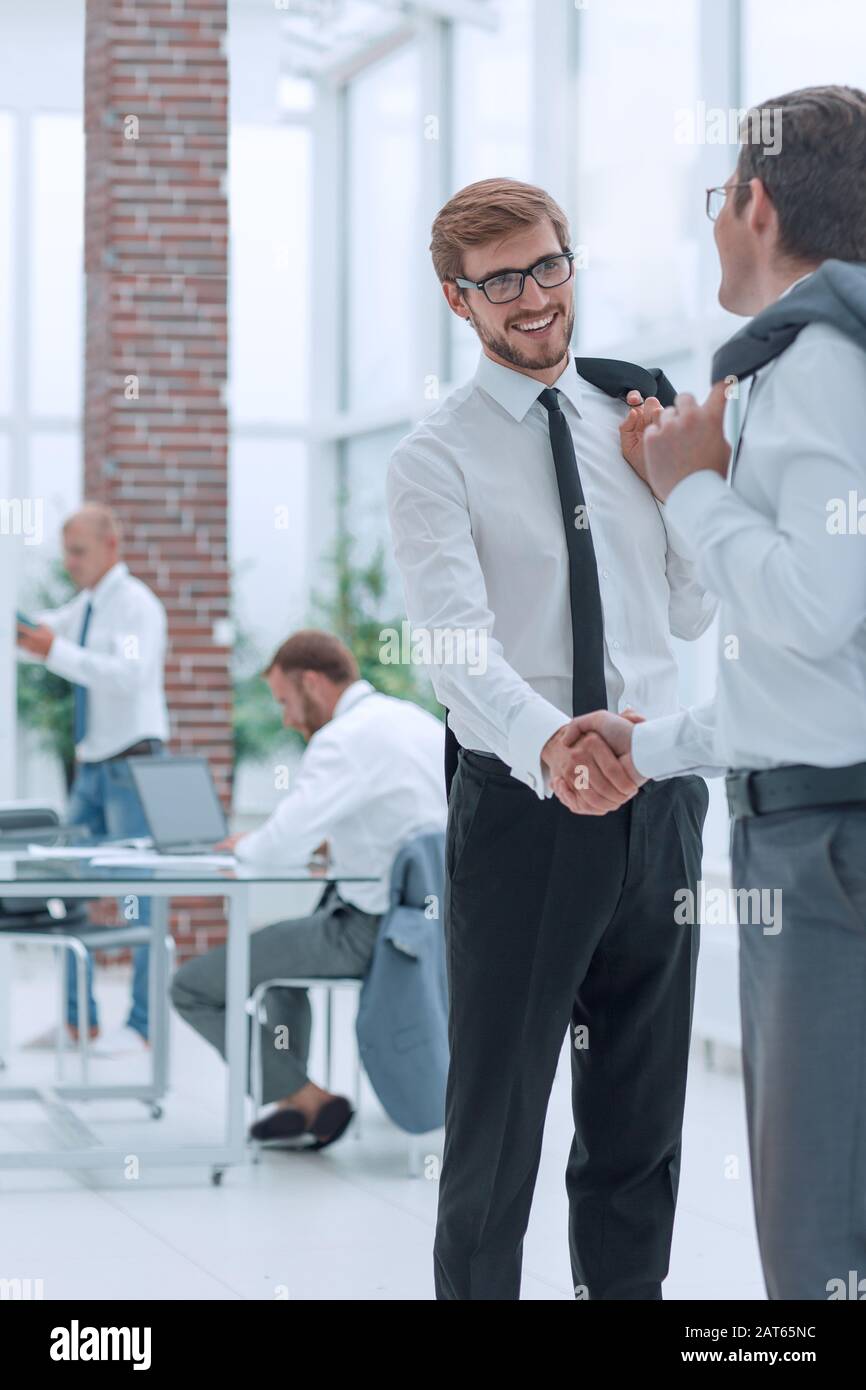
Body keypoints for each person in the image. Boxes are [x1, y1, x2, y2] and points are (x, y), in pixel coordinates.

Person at [386, 177, 718, 1299]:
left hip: (658, 800)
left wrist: (672, 487)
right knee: (494, 1129)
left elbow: (686, 613)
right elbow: (452, 647)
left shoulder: (635, 415)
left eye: (546, 265)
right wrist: (555, 748)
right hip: (525, 809)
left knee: (638, 1124)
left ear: (569, 261)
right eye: (499, 282)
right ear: (458, 300)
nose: (532, 298)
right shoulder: (434, 457)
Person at [569, 86, 866, 1300]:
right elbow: (823, 681)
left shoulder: (816, 363)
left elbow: (808, 607)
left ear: (751, 203)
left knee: (812, 1237)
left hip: (826, 849)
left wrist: (689, 484)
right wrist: (660, 740)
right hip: (813, 811)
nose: (709, 229)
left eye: (713, 202)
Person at [170, 630, 447, 1149]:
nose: (286, 719)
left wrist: (242, 849)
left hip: (372, 931)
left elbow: (278, 846)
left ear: (313, 683)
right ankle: (293, 1102)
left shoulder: (341, 739)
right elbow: (409, 826)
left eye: (284, 701)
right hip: (436, 928)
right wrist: (331, 846)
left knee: (193, 985)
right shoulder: (414, 721)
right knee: (282, 973)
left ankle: (308, 1099)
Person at [17, 502, 169, 1056]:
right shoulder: (86, 606)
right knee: (64, 886)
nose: (70, 562)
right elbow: (43, 633)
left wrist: (53, 650)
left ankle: (145, 1025)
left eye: (78, 551)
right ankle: (80, 1022)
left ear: (112, 545)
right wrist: (31, 635)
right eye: (67, 551)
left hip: (132, 764)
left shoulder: (137, 608)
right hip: (93, 767)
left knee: (142, 895)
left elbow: (129, 677)